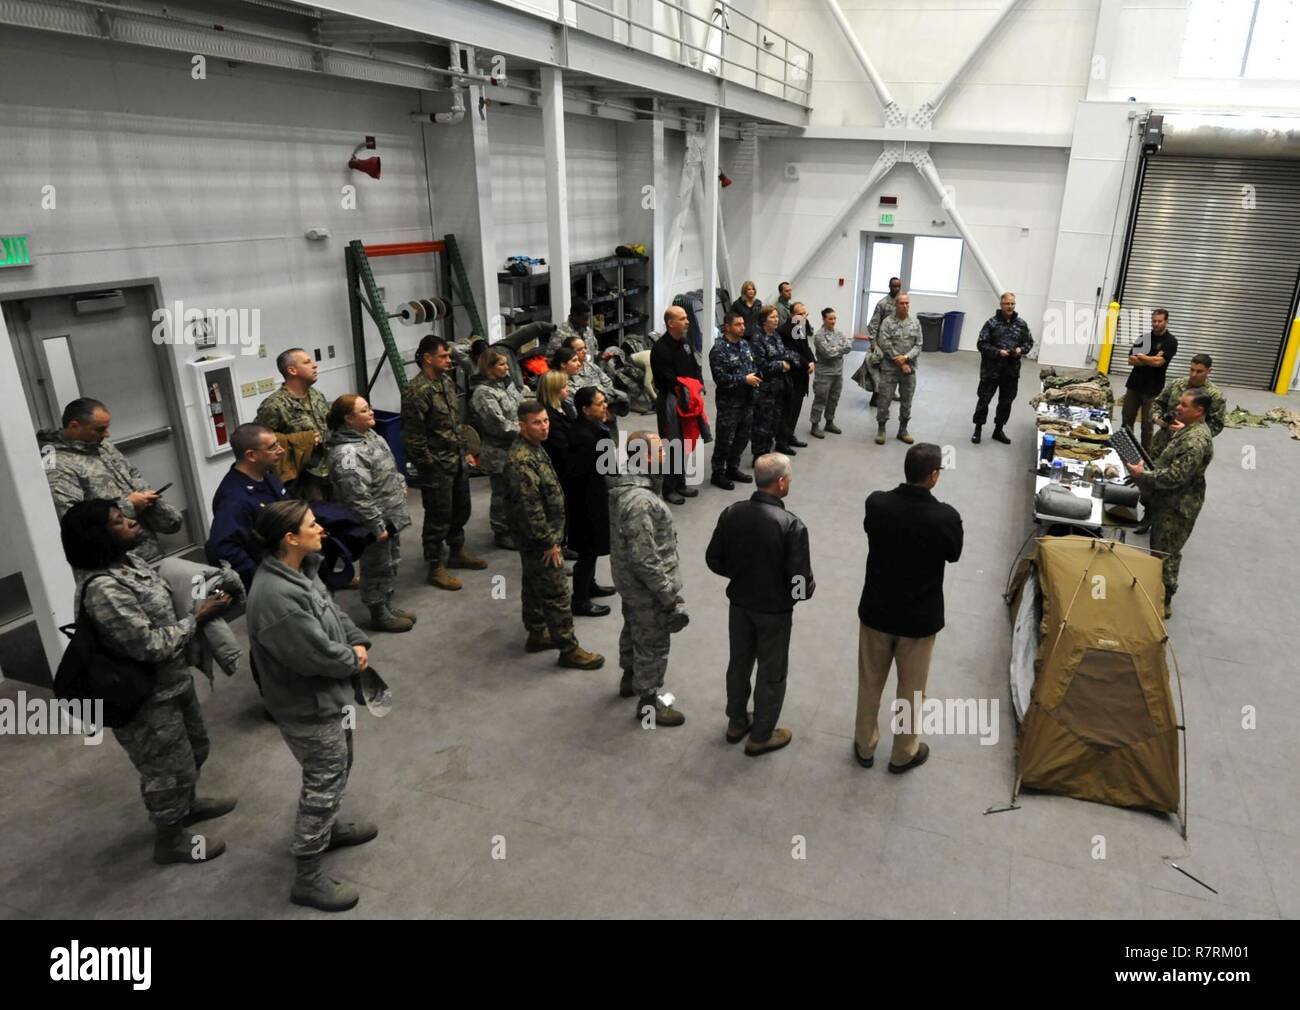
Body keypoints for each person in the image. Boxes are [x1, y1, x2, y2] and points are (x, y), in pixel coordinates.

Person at [60, 499, 235, 866]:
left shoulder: (130, 563)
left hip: (173, 681)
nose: (130, 522)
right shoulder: (104, 589)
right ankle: (169, 838)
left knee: (195, 747)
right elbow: (150, 646)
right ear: (99, 536)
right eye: (118, 521)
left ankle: (186, 805)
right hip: (144, 697)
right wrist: (196, 619)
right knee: (167, 770)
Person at [245, 500, 379, 912]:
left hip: (330, 698)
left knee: (338, 769)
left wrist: (357, 640)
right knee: (322, 784)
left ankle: (330, 829)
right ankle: (308, 876)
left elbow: (334, 613)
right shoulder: (276, 597)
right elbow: (311, 654)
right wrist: (351, 659)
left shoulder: (301, 571)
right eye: (312, 524)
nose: (320, 527)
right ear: (289, 538)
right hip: (307, 707)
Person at [854, 443, 963, 774]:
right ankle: (903, 753)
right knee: (911, 690)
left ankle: (864, 745)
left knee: (870, 682)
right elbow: (954, 553)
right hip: (918, 619)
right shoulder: (945, 517)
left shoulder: (877, 504)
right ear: (932, 476)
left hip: (876, 612)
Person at [705, 453, 815, 757]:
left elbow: (714, 559)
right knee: (772, 671)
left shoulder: (731, 513)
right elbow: (800, 585)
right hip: (774, 612)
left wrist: (742, 575)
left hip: (739, 604)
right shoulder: (792, 526)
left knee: (739, 662)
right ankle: (762, 735)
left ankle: (736, 722)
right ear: (780, 483)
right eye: (789, 477)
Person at [503, 400, 605, 669]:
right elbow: (530, 508)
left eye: (546, 420)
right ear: (522, 426)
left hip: (538, 537)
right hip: (541, 539)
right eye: (537, 423)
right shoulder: (522, 460)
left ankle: (536, 633)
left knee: (533, 584)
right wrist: (550, 543)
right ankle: (569, 649)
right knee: (557, 592)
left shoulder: (534, 448)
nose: (544, 426)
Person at [39, 398, 185, 566]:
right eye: (100, 429)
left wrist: (146, 497)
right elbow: (73, 520)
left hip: (147, 547)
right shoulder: (56, 464)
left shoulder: (102, 446)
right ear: (74, 426)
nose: (107, 435)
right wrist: (129, 505)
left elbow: (132, 474)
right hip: (116, 562)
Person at [608, 432, 688, 726]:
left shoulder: (627, 487)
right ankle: (649, 703)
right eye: (660, 451)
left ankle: (630, 678)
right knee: (653, 641)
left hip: (629, 583)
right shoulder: (640, 501)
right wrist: (667, 595)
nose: (666, 455)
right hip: (647, 587)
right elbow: (644, 558)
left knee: (633, 627)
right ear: (644, 458)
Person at [401, 334, 486, 591]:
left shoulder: (446, 382)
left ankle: (457, 552)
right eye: (444, 356)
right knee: (438, 516)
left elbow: (454, 423)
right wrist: (429, 466)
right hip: (437, 465)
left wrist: (465, 451)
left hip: (457, 460)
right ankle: (435, 565)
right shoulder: (416, 391)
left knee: (461, 509)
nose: (449, 360)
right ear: (428, 358)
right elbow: (413, 438)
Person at [326, 394, 415, 633]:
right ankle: (378, 612)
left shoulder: (370, 436)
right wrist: (376, 526)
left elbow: (388, 465)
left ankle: (387, 603)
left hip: (390, 514)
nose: (372, 412)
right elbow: (356, 496)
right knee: (376, 566)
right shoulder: (347, 454)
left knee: (391, 561)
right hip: (374, 521)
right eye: (364, 410)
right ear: (349, 419)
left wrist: (399, 482)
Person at [1124, 389, 1214, 619]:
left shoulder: (1194, 441)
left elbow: (1175, 477)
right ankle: (1156, 589)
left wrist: (1144, 475)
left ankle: (1164, 600)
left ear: (1199, 411)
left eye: (1184, 405)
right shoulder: (1188, 430)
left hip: (1178, 506)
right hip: (1167, 500)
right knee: (1158, 549)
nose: (1178, 408)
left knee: (1166, 553)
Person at [206, 423, 290, 589]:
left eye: (278, 444)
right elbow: (223, 548)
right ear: (251, 455)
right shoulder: (234, 498)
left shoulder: (265, 475)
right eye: (273, 447)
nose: (281, 450)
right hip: (273, 579)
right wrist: (261, 576)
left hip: (287, 565)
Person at [565, 386, 618, 618]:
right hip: (585, 502)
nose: (604, 406)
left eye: (604, 401)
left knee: (593, 548)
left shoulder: (593, 429)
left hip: (594, 497)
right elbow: (602, 468)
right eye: (599, 403)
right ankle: (580, 600)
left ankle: (590, 585)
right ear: (585, 409)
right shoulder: (583, 437)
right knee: (587, 550)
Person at [255, 348, 332, 501]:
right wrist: (300, 440)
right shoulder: (274, 405)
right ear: (292, 370)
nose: (314, 365)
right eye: (307, 362)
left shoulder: (316, 395)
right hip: (299, 483)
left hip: (327, 473)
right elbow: (259, 442)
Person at [470, 347, 525, 550]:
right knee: (502, 493)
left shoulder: (505, 385)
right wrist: (526, 429)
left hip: (515, 447)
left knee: (516, 491)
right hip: (498, 452)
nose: (506, 367)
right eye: (501, 364)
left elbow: (519, 405)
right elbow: (497, 425)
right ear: (489, 368)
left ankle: (515, 526)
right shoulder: (484, 393)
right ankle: (501, 532)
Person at [650, 305, 703, 505]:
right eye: (682, 318)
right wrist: (689, 389)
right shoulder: (661, 349)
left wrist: (698, 386)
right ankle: (669, 488)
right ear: (671, 323)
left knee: (686, 442)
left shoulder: (685, 342)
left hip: (688, 398)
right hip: (671, 400)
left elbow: (694, 367)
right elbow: (668, 380)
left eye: (687, 318)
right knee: (672, 445)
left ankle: (681, 483)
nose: (687, 321)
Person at [971, 291, 1034, 445]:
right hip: (991, 371)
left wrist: (1021, 350)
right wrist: (997, 352)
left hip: (1011, 372)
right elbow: (981, 344)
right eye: (1007, 303)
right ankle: (977, 429)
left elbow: (1029, 342)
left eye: (1012, 303)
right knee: (984, 400)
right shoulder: (991, 323)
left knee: (1006, 403)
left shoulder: (1021, 324)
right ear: (1001, 305)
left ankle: (998, 430)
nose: (1010, 306)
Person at [708, 311, 759, 490]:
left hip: (747, 401)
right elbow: (720, 379)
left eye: (743, 324)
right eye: (738, 324)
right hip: (729, 404)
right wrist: (744, 379)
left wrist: (755, 377)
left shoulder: (745, 344)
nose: (743, 327)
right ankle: (718, 473)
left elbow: (752, 366)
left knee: (742, 438)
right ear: (727, 327)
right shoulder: (719, 349)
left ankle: (732, 468)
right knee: (724, 439)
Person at [1123, 308, 1179, 451]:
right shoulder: (1143, 338)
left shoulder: (1170, 341)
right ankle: (1125, 448)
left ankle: (1145, 454)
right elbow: (1130, 360)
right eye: (1154, 321)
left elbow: (1159, 363)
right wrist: (1152, 358)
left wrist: (1141, 356)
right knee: (1127, 418)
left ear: (1166, 321)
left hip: (1153, 389)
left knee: (1147, 425)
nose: (1156, 324)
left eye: (1159, 321)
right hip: (1134, 385)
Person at [1149, 353, 1225, 457]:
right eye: (1192, 369)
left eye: (1199, 371)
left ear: (1209, 371)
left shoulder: (1214, 395)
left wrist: (1188, 431)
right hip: (1162, 442)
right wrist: (1157, 418)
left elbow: (1216, 425)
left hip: (1188, 446)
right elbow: (1158, 403)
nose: (1194, 374)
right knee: (1151, 468)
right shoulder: (1176, 384)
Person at [749, 305, 798, 463]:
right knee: (762, 423)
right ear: (764, 320)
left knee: (774, 421)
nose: (776, 319)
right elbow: (761, 365)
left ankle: (767, 451)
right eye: (772, 317)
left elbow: (784, 353)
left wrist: (787, 361)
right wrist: (781, 365)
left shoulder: (776, 335)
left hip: (779, 387)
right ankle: (758, 454)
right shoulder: (757, 339)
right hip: (765, 389)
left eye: (777, 316)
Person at [873, 292, 921, 445]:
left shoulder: (915, 322)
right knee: (884, 400)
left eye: (907, 303)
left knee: (907, 400)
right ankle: (881, 429)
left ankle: (903, 430)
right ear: (896, 305)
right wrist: (901, 362)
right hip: (890, 369)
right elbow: (885, 344)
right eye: (902, 303)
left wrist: (906, 358)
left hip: (909, 370)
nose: (905, 306)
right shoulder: (887, 322)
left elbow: (918, 345)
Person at [777, 301, 817, 449]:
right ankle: (781, 441)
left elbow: (805, 347)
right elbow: (793, 353)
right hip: (791, 376)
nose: (804, 316)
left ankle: (789, 435)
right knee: (787, 410)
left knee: (796, 408)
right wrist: (808, 364)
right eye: (800, 314)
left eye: (805, 314)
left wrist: (812, 361)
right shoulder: (785, 331)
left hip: (801, 376)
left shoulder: (799, 327)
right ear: (792, 315)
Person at [809, 307, 853, 438]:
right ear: (824, 319)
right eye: (830, 318)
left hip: (838, 373)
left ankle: (829, 422)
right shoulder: (819, 336)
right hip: (824, 374)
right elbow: (828, 354)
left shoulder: (838, 332)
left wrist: (836, 349)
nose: (833, 321)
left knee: (834, 399)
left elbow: (849, 346)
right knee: (820, 399)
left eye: (834, 318)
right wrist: (841, 349)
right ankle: (815, 425)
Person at [563, 333, 629, 416]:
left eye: (585, 348)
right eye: (580, 349)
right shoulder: (566, 376)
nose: (585, 351)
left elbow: (607, 382)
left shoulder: (590, 365)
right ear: (570, 353)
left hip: (604, 406)